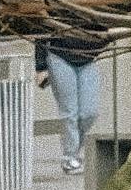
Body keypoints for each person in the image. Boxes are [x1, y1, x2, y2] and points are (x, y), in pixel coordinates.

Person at [38, 21, 109, 181]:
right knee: (69, 111)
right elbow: (40, 30)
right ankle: (69, 157)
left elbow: (104, 29)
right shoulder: (58, 3)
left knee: (89, 113)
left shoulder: (92, 4)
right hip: (59, 55)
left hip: (87, 59)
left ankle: (75, 150)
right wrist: (41, 66)